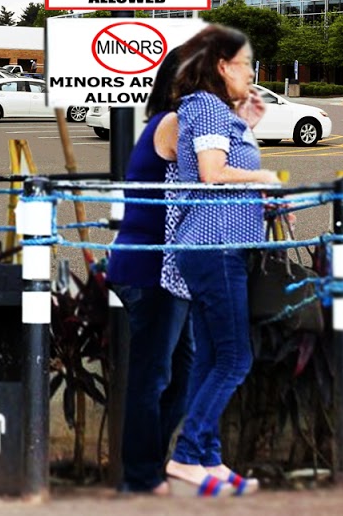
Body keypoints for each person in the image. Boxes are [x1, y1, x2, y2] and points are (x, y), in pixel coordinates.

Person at [161, 25, 278, 497]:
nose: (252, 72)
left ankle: (206, 459)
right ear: (221, 67)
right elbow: (212, 174)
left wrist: (247, 125)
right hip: (215, 244)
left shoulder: (209, 110)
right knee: (234, 358)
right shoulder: (208, 107)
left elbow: (212, 161)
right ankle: (188, 456)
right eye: (246, 63)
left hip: (207, 244)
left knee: (211, 358)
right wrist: (262, 176)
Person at [109, 48, 193, 496]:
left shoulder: (172, 121)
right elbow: (210, 180)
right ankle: (139, 479)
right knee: (155, 375)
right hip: (151, 268)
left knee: (181, 374)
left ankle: (146, 471)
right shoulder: (174, 124)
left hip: (170, 271)